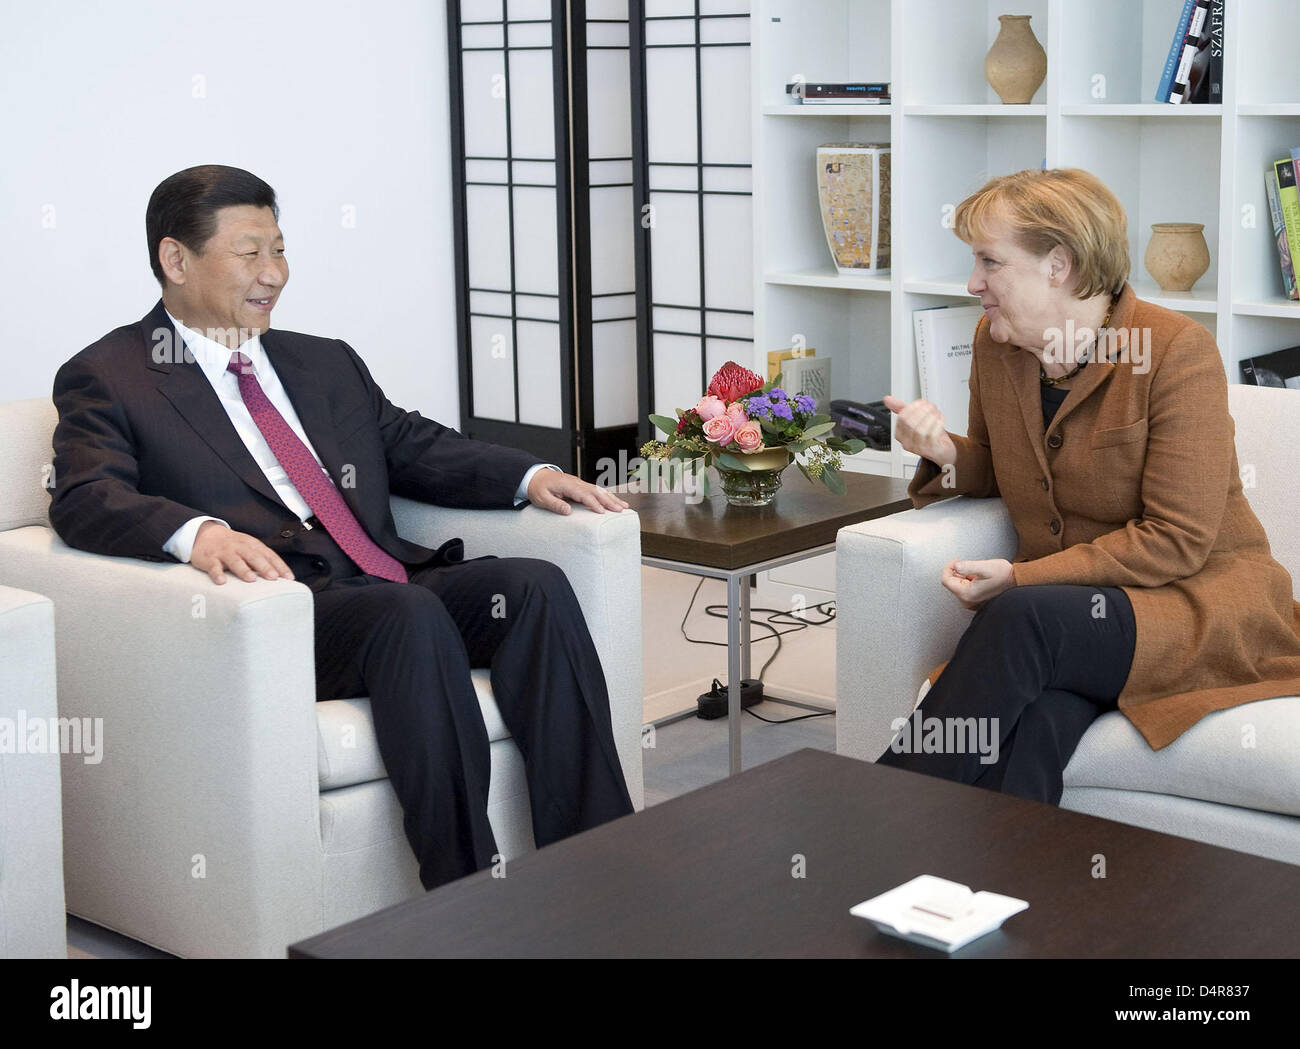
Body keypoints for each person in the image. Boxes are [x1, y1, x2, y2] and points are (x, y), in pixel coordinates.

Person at [48, 164, 635, 890]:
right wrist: (196, 531)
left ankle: (604, 867)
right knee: (408, 613)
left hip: (386, 579)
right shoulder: (111, 374)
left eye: (281, 249)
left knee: (534, 586)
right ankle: (468, 896)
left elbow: (413, 445)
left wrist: (528, 476)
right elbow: (83, 495)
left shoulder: (321, 361)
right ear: (176, 259)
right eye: (250, 251)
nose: (274, 274)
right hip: (290, 609)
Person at [877, 167, 1300, 803]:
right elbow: (995, 469)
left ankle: (872, 818)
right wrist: (942, 453)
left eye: (990, 261)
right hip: (1082, 621)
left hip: (1194, 603)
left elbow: (1177, 540)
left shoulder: (1173, 350)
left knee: (1021, 619)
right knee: (1035, 726)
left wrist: (1021, 578)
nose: (973, 285)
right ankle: (999, 893)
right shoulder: (998, 346)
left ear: (1059, 264)